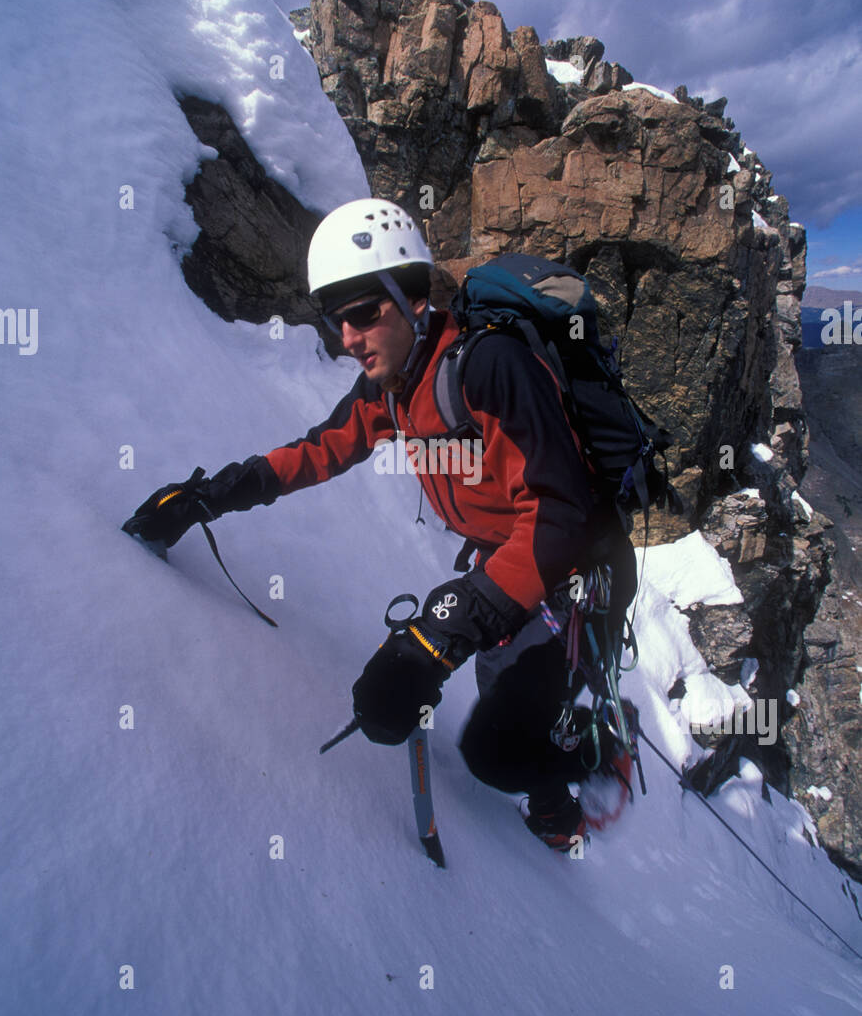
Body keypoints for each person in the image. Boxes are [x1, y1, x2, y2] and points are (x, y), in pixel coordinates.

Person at [124, 198, 638, 851]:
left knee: (490, 752)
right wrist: (215, 494)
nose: (348, 336)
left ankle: (599, 760)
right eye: (336, 319)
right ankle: (554, 800)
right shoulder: (393, 386)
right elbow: (320, 449)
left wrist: (441, 633)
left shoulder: (488, 367)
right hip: (509, 559)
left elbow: (558, 514)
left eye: (364, 313)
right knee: (502, 687)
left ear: (414, 298)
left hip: (577, 574)